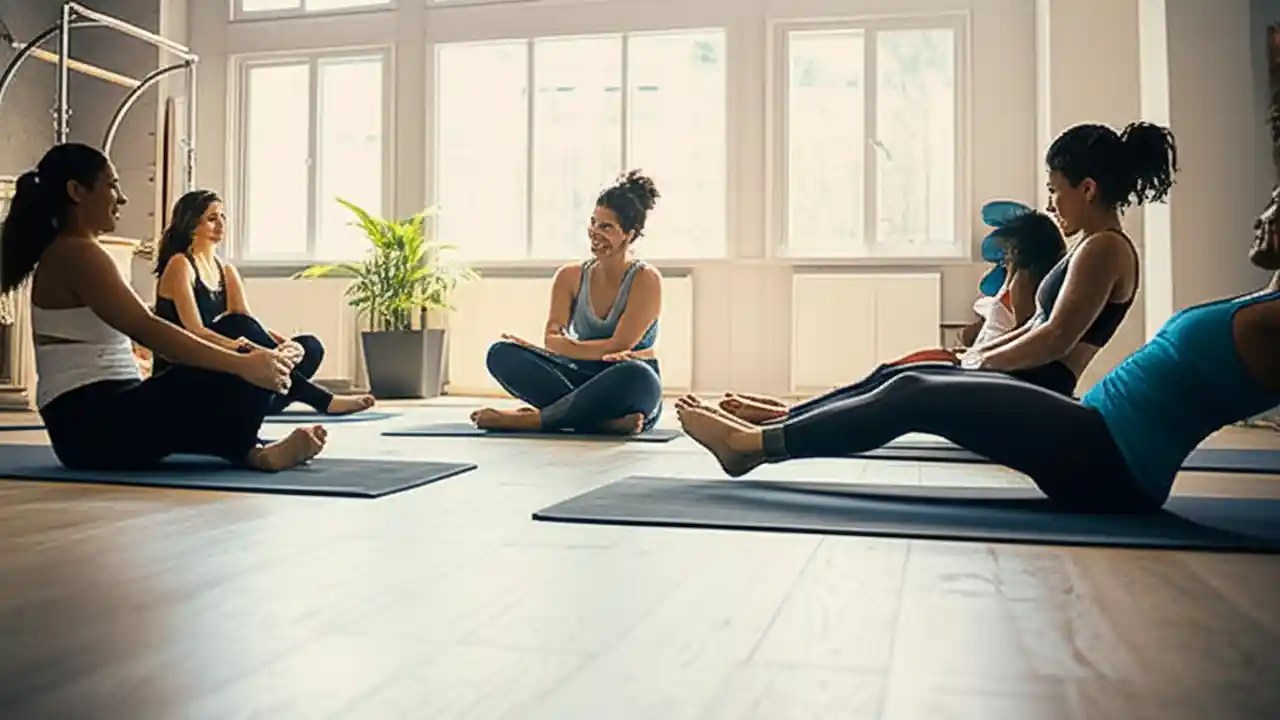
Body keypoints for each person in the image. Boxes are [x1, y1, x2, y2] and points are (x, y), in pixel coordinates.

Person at [675, 187, 1280, 514]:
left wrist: (980, 362)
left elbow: (1058, 335)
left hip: (1112, 462)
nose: (1264, 213)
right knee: (907, 382)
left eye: (1279, 203)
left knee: (913, 392)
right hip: (1095, 431)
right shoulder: (1260, 304)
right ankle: (766, 434)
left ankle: (751, 449)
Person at [721, 121, 1177, 424]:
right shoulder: (1092, 247)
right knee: (903, 369)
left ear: (1088, 188)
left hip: (1036, 388)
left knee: (904, 388)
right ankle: (788, 413)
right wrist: (971, 357)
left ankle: (780, 428)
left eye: (1055, 190)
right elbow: (1040, 327)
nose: (1053, 202)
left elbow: (1056, 337)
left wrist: (980, 362)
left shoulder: (1105, 250)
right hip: (1022, 379)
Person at [2, 143, 326, 472]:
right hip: (90, 427)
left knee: (236, 339)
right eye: (112, 185)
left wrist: (247, 362)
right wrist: (242, 365)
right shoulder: (76, 253)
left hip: (99, 423)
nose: (122, 198)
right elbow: (151, 330)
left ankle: (245, 449)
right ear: (77, 191)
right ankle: (247, 447)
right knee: (237, 337)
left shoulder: (78, 252)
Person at [472, 170, 665, 435]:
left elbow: (620, 346)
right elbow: (552, 338)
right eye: (594, 223)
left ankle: (534, 420)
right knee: (501, 353)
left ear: (629, 235)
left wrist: (566, 349)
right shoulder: (569, 276)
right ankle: (597, 422)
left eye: (607, 227)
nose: (595, 233)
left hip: (624, 381)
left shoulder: (646, 279)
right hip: (576, 374)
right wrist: (558, 351)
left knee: (637, 376)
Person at [152, 189, 375, 415]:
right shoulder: (180, 265)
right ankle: (322, 400)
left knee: (310, 346)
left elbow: (251, 324)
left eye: (222, 217)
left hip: (224, 369)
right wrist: (248, 348)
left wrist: (284, 346)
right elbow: (196, 332)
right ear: (191, 225)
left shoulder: (225, 269)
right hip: (187, 371)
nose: (221, 224)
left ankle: (261, 401)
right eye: (211, 219)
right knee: (235, 324)